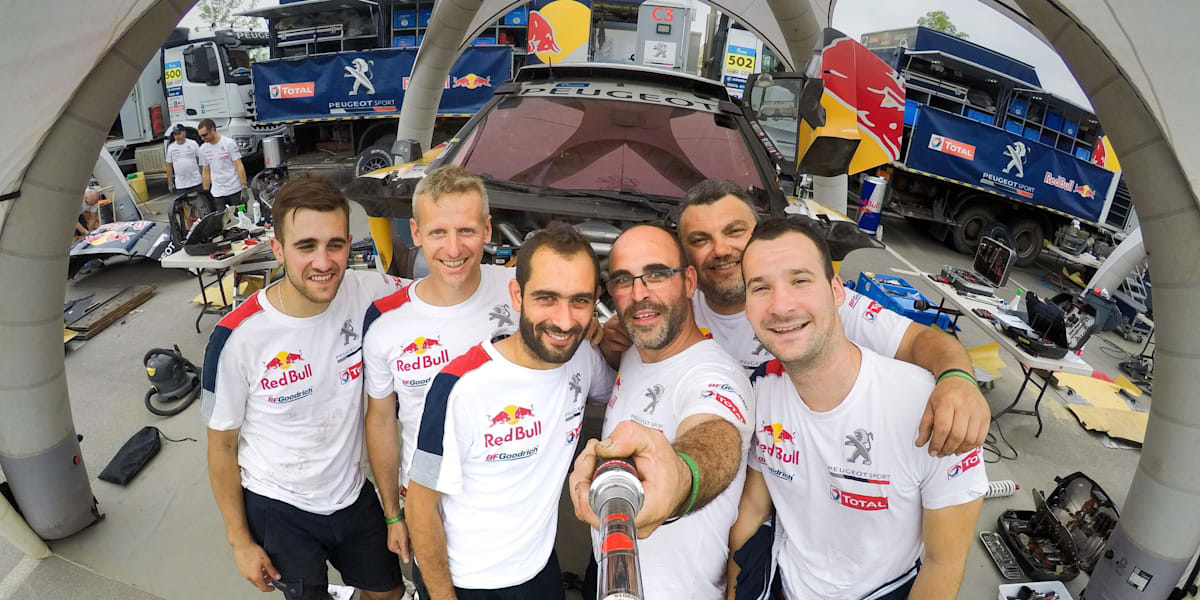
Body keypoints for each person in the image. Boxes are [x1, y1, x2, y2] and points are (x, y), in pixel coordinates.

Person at [727, 217, 985, 600]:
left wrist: (959, 377)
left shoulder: (929, 408)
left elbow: (943, 564)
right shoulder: (762, 390)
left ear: (836, 292)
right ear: (747, 308)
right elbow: (752, 510)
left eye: (800, 280)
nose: (781, 305)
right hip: (780, 583)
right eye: (761, 288)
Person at [668, 178, 989, 457]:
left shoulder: (817, 300)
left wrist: (957, 380)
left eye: (734, 231)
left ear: (758, 233)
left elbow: (922, 339)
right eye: (700, 240)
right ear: (685, 253)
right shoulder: (676, 308)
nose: (720, 249)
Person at [203, 177, 407, 600]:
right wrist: (240, 542)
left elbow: (438, 296)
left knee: (387, 592)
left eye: (336, 245)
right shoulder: (236, 338)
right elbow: (221, 447)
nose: (323, 262)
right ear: (278, 249)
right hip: (278, 507)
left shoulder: (367, 292)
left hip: (351, 492)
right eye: (306, 246)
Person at [406, 222, 615, 600]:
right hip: (468, 583)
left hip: (539, 569)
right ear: (517, 295)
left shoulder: (583, 356)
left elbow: (619, 392)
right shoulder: (459, 387)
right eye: (547, 298)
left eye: (580, 301)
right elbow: (421, 508)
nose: (565, 321)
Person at [572, 223, 753, 599]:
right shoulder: (633, 352)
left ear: (689, 282)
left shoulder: (716, 374)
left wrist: (680, 480)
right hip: (610, 569)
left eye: (656, 274)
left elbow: (716, 438)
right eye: (624, 280)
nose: (639, 294)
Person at [361, 165, 517, 562]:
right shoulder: (385, 321)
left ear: (487, 229)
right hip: (429, 509)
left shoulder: (521, 293)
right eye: (438, 233)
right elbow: (381, 421)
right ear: (415, 233)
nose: (453, 248)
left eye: (466, 230)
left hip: (512, 504)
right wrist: (393, 514)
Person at [197, 118, 248, 211]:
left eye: (205, 135)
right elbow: (205, 171)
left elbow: (239, 165)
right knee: (222, 219)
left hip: (235, 190)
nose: (203, 138)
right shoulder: (203, 149)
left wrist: (244, 187)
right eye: (201, 136)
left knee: (240, 217)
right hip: (218, 193)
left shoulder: (229, 143)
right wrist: (206, 194)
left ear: (212, 130)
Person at [165, 124, 202, 194]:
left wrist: (204, 175)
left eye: (179, 134)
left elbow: (202, 160)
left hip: (196, 181)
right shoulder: (171, 147)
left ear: (184, 133)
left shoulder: (193, 143)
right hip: (181, 185)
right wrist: (170, 182)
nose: (177, 137)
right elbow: (169, 166)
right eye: (175, 135)